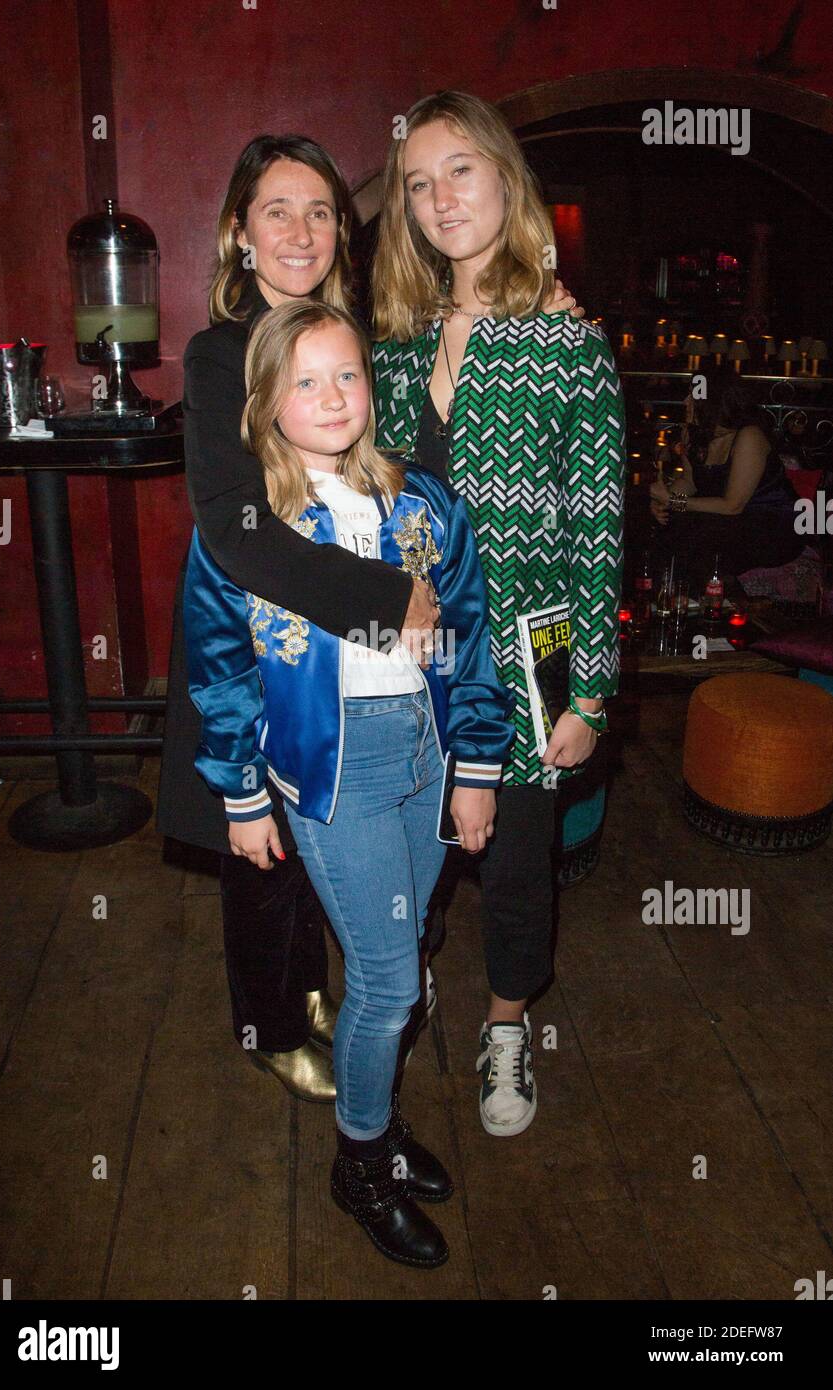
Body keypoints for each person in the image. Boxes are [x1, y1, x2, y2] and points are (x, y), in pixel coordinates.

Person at [156, 133, 582, 1102]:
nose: (302, 230)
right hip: (274, 646)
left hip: (380, 686)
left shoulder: (360, 340)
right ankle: (272, 1023)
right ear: (239, 234)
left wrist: (531, 311)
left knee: (332, 868)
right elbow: (235, 524)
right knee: (262, 858)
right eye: (277, 210)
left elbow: (417, 446)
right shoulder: (225, 352)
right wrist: (391, 607)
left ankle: (323, 995)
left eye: (320, 212)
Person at [183, 299, 516, 1268]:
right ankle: (361, 1164)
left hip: (425, 756)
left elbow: (469, 644)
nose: (331, 397)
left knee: (408, 961)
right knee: (382, 983)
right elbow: (220, 669)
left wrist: (476, 769)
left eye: (347, 375)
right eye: (304, 380)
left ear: (373, 389)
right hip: (335, 775)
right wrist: (242, 794)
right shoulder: (249, 529)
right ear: (265, 406)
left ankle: (380, 1120)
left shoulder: (424, 504)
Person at [370, 90, 626, 1138]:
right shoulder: (389, 345)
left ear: (505, 178)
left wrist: (593, 689)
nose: (440, 198)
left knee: (517, 864)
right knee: (405, 851)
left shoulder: (567, 348)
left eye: (460, 170)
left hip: (527, 656)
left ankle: (508, 1024)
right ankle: (404, 979)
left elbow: (601, 529)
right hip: (405, 657)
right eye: (419, 182)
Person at [648, 368, 803, 587]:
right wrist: (662, 502)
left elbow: (733, 505)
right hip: (725, 517)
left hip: (769, 522)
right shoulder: (693, 434)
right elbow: (690, 482)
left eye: (692, 395)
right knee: (664, 527)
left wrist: (674, 502)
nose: (685, 401)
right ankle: (664, 598)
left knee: (701, 534)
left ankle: (702, 602)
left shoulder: (749, 436)